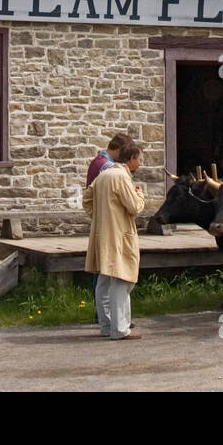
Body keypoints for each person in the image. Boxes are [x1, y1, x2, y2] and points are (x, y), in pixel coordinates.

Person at [82, 136, 145, 339]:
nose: (140, 163)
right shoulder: (120, 177)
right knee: (121, 279)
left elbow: (87, 199)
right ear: (131, 158)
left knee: (104, 281)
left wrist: (100, 217)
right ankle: (119, 328)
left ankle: (106, 325)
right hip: (118, 233)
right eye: (140, 159)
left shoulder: (104, 175)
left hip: (103, 232)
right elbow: (134, 206)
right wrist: (140, 195)